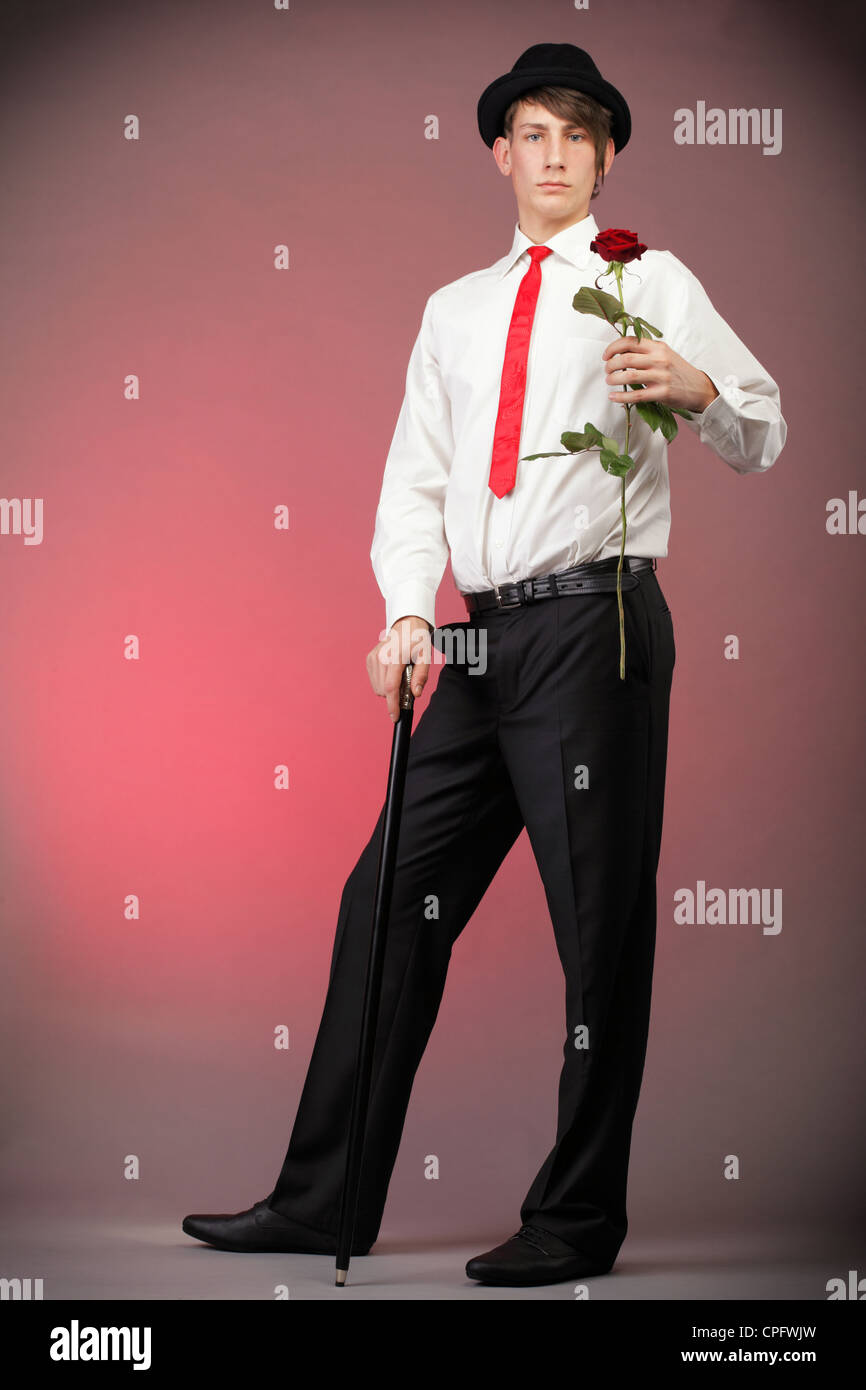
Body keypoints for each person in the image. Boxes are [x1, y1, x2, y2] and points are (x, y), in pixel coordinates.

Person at [182, 42, 786, 1286]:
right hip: (474, 636)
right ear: (497, 153)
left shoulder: (650, 280)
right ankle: (323, 1201)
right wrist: (408, 613)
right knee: (387, 898)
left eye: (577, 134)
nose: (553, 154)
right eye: (531, 132)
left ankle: (572, 1223)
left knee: (595, 929)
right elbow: (412, 479)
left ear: (605, 156)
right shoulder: (451, 310)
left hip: (595, 626)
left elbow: (764, 428)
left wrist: (692, 385)